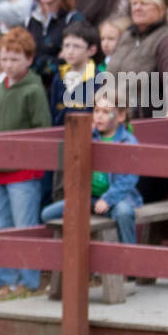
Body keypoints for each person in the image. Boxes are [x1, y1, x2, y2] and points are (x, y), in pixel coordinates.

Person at [0, 26, 51, 294]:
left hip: (23, 171)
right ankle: (6, 280)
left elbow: (42, 129)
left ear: (28, 59)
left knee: (24, 226)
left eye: (14, 59)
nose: (8, 64)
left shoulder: (33, 90)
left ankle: (29, 281)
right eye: (4, 58)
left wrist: (33, 161)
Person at [40, 91, 142, 244]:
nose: (99, 116)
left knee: (124, 213)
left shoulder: (127, 141)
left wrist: (108, 199)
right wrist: (85, 137)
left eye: (106, 112)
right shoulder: (89, 136)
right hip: (89, 198)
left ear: (120, 116)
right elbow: (73, 158)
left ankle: (129, 257)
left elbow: (129, 177)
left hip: (116, 199)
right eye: (96, 111)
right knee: (48, 214)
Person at [109, 0, 168, 121]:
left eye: (144, 3)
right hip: (113, 121)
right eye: (134, 3)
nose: (137, 8)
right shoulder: (127, 36)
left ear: (161, 9)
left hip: (144, 122)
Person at [26, 0, 83, 80]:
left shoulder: (73, 20)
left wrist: (34, 62)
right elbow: (20, 60)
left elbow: (68, 64)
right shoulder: (30, 20)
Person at [51, 22, 101, 125]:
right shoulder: (59, 77)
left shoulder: (98, 80)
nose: (70, 51)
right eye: (66, 46)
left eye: (77, 46)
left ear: (91, 50)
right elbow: (53, 112)